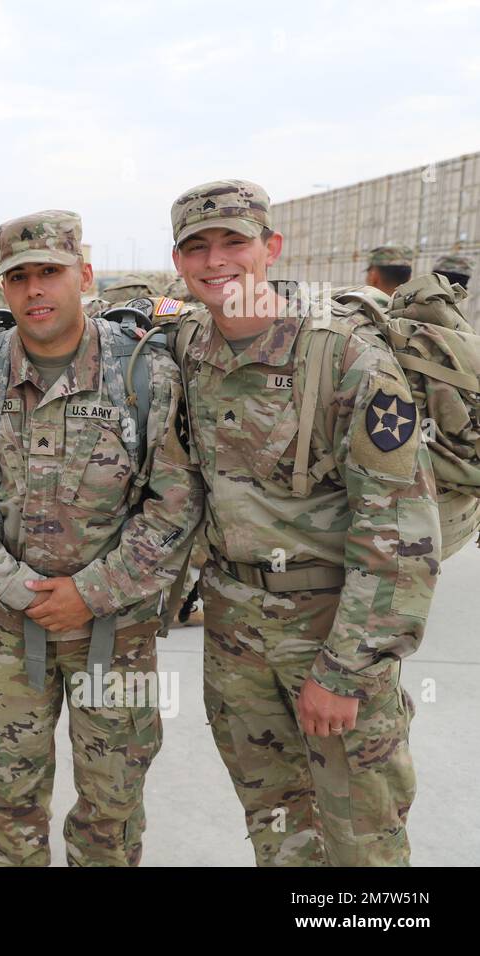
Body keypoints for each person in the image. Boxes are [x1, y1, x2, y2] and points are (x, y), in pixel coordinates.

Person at [0, 210, 203, 866]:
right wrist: (18, 587)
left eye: (51, 271)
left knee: (113, 800)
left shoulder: (145, 376)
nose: (35, 289)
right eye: (19, 277)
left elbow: (177, 504)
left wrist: (94, 591)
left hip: (116, 635)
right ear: (4, 288)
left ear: (85, 275)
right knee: (9, 795)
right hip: (11, 633)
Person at [169, 180, 440, 865]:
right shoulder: (189, 346)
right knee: (277, 826)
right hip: (235, 633)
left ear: (271, 248)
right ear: (179, 262)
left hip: (328, 632)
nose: (216, 260)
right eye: (197, 247)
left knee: (361, 838)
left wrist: (345, 669)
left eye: (235, 241)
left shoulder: (343, 356)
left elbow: (401, 531)